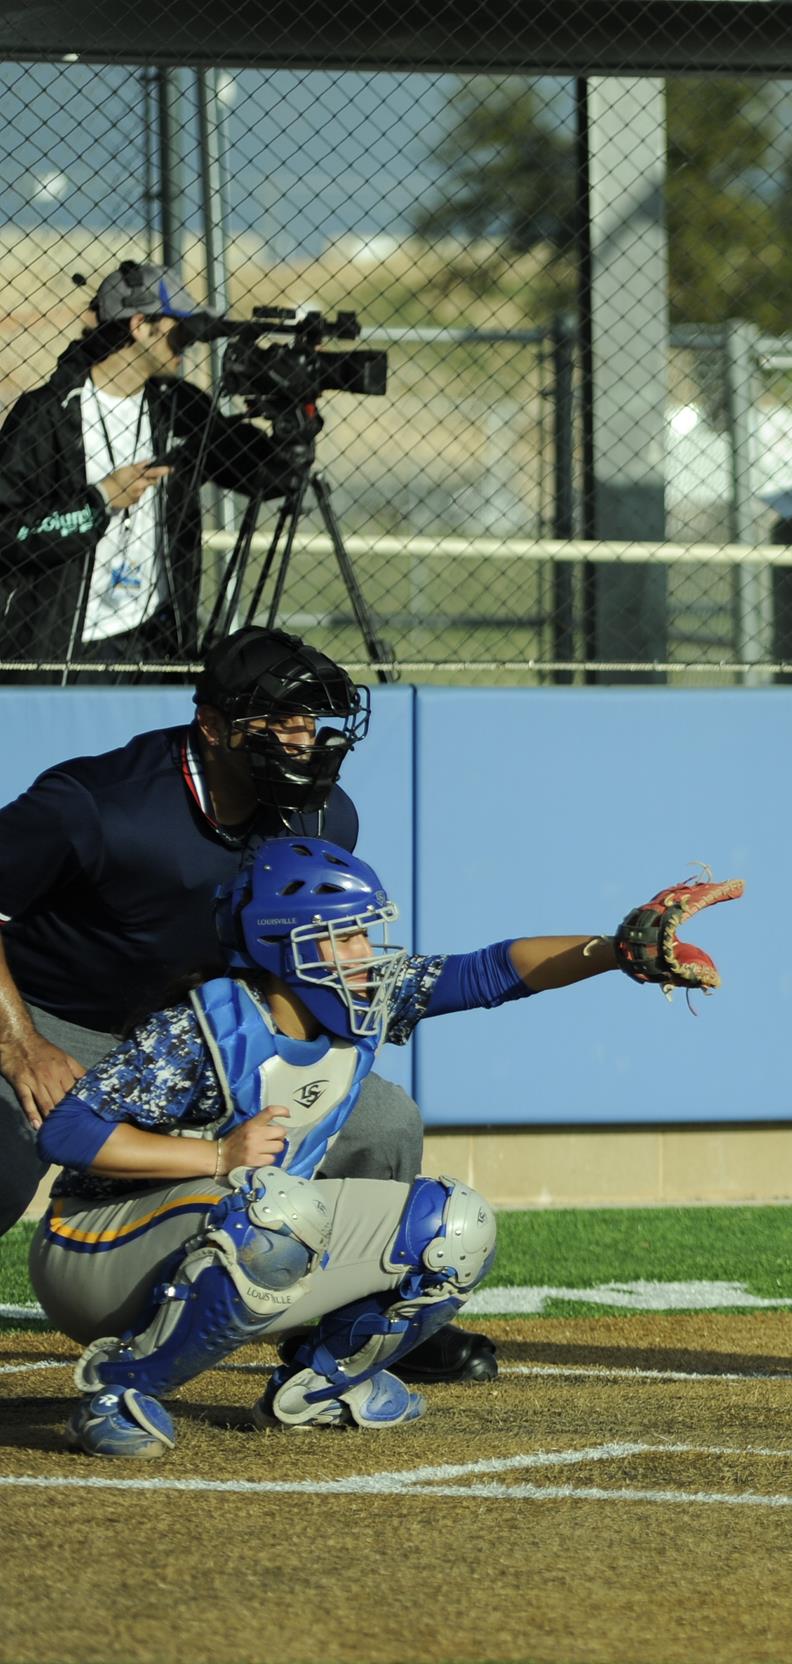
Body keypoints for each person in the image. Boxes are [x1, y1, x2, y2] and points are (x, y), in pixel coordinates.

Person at [29, 836, 740, 1456]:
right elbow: (67, 1131)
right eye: (345, 939)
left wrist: (612, 951)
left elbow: (490, 972)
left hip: (240, 1222)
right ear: (284, 945)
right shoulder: (204, 1029)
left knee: (454, 1227)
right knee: (278, 1208)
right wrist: (214, 1159)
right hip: (95, 1255)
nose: (365, 955)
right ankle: (118, 1390)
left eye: (365, 935)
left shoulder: (362, 999)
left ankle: (318, 1388)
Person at [0, 624, 495, 1385]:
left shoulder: (325, 817)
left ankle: (369, 1318)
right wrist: (21, 1047)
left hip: (208, 1035)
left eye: (313, 721)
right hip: (54, 1017)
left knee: (381, 1122)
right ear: (213, 726)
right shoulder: (98, 804)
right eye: (281, 722)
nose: (304, 740)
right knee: (2, 1149)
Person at [0, 261, 291, 682]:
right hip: (64, 650)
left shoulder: (180, 407)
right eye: (179, 329)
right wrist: (97, 503)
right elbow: (7, 530)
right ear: (140, 325)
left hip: (158, 645)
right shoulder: (47, 414)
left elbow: (268, 478)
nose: (188, 343)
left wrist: (289, 410)